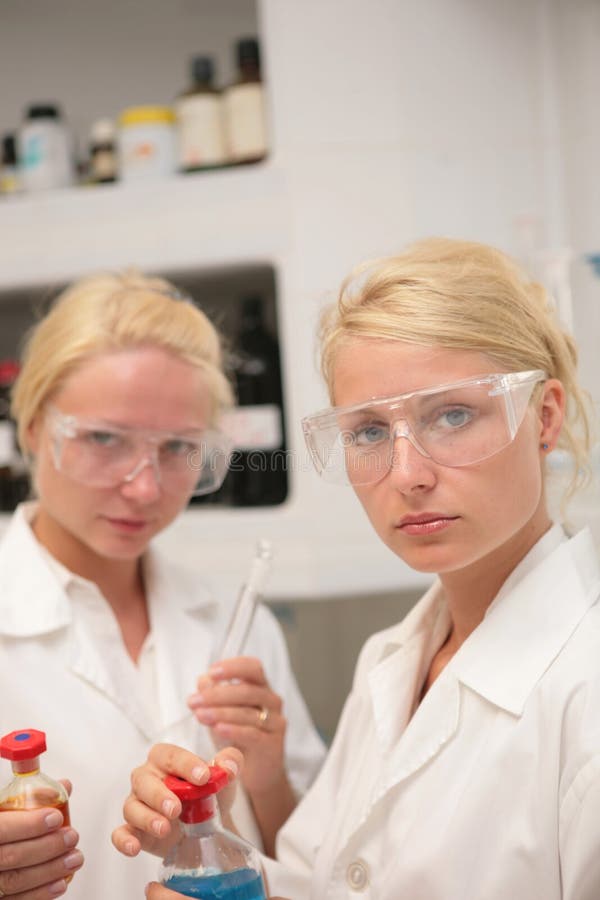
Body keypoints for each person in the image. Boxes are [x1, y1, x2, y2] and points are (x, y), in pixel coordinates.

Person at [112, 237, 600, 900]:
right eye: (369, 431)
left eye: (453, 415)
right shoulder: (389, 661)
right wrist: (206, 837)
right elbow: (325, 883)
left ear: (544, 417)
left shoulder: (584, 688)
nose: (408, 475)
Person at [0, 271, 326, 900]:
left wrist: (266, 781)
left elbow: (315, 862)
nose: (145, 488)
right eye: (104, 438)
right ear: (34, 427)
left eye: (178, 448)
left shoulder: (237, 624)